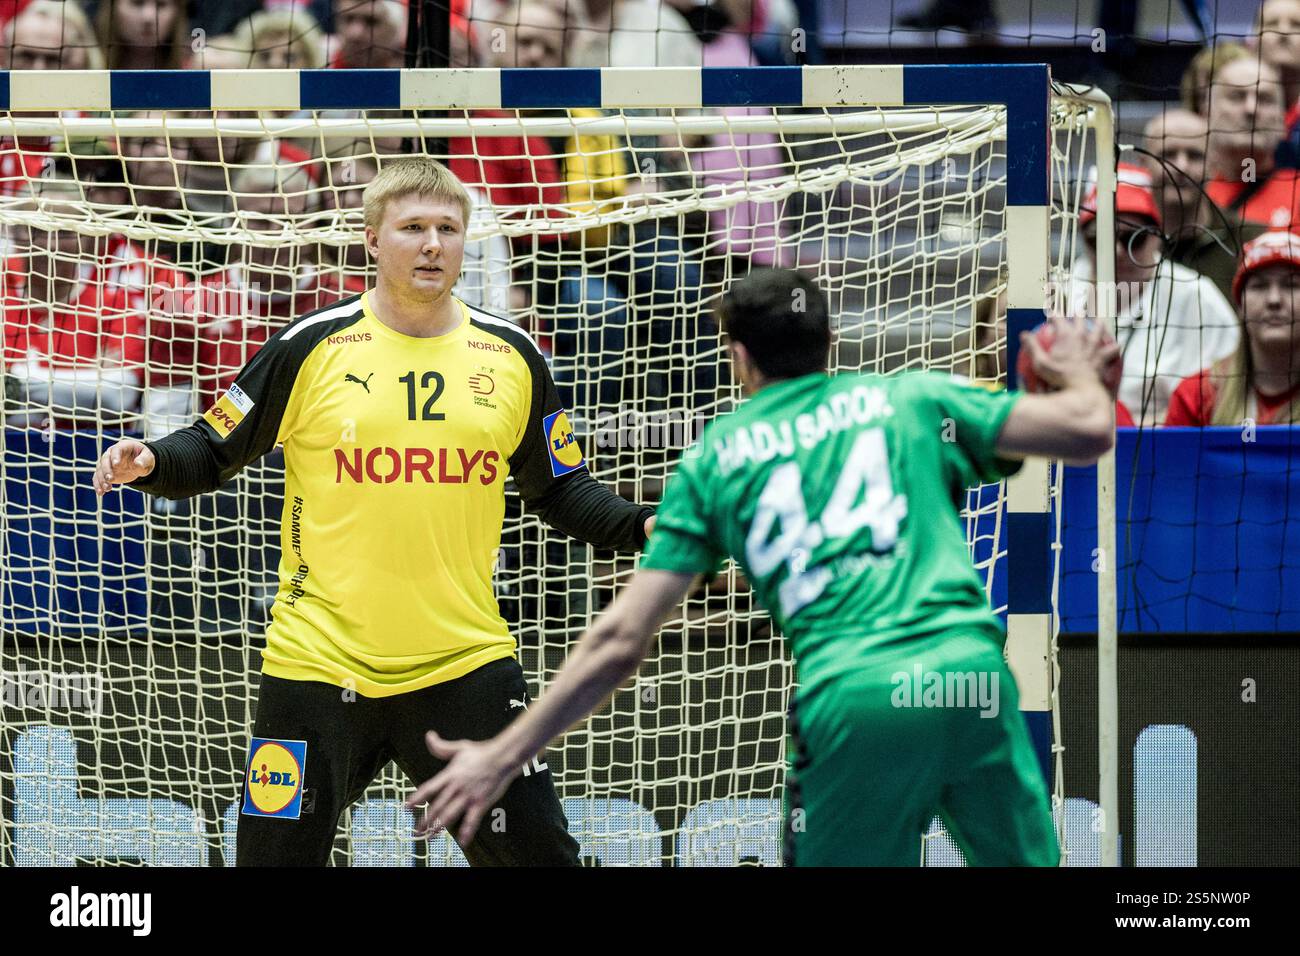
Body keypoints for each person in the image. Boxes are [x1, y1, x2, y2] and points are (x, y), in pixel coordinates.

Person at [406, 268, 1118, 866]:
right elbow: (1086, 430)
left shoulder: (717, 459)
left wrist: (504, 752)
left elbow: (620, 640)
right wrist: (1081, 372)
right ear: (830, 339)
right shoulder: (913, 399)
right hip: (972, 679)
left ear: (739, 356)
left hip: (853, 695)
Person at [91, 157, 655, 866]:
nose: (432, 245)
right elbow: (211, 447)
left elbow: (563, 491)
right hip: (319, 665)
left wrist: (642, 527)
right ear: (371, 240)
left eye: (448, 229)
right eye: (412, 227)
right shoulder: (310, 347)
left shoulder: (512, 357)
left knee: (542, 860)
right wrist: (151, 461)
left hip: (462, 663)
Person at [1068, 163, 1238, 425]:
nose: (1116, 251)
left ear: (1157, 237)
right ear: (1082, 237)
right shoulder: (1061, 291)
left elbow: (1234, 384)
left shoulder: (1195, 294)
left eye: (1132, 238)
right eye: (1099, 238)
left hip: (1171, 447)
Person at [1165, 229, 1300, 426]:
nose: (1274, 300)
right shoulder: (1197, 396)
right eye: (1259, 286)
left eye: (1291, 285)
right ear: (1240, 305)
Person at [1144, 109, 1266, 302]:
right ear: (1144, 163)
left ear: (1213, 166)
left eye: (1195, 156)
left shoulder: (1252, 242)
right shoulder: (1126, 244)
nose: (1181, 167)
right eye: (1167, 155)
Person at [1204, 55, 1299, 229]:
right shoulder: (1187, 196)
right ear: (1208, 111)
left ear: (1282, 118)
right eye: (1236, 96)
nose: (1251, 109)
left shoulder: (1297, 194)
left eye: (1264, 99)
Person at [96, 0, 190, 71]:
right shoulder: (89, 68)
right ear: (113, 8)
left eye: (161, 4)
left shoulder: (193, 70)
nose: (148, 17)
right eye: (137, 3)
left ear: (178, 12)